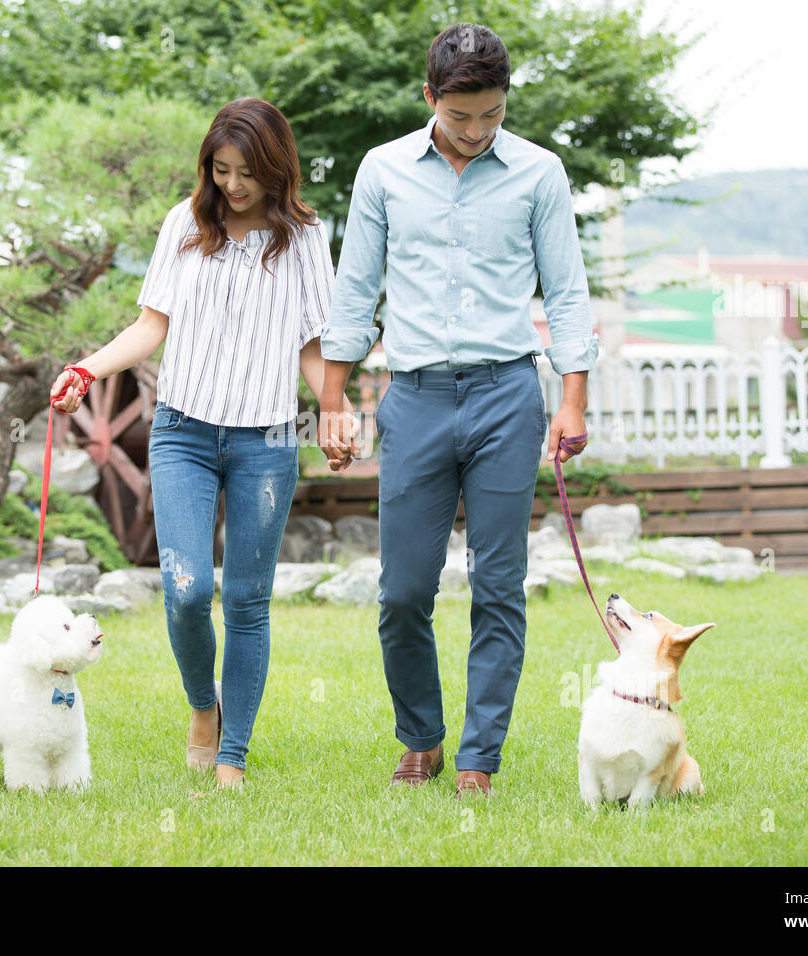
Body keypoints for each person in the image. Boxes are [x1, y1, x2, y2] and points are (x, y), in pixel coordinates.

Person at [318, 23, 599, 798]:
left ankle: (479, 754)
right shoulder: (382, 172)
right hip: (413, 397)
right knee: (404, 590)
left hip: (509, 393)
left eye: (493, 115)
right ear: (429, 97)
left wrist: (573, 397)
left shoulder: (540, 174)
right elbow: (354, 289)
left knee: (498, 584)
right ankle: (421, 736)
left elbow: (566, 291)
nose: (477, 132)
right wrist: (333, 397)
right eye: (461, 116)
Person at [51, 98, 349, 789]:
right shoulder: (184, 225)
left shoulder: (304, 236)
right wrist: (87, 367)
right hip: (182, 430)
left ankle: (233, 756)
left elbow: (316, 344)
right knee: (185, 591)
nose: (235, 186)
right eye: (222, 171)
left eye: (248, 172)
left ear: (277, 169)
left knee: (246, 600)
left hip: (267, 438)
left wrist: (333, 412)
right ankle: (201, 706)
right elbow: (152, 325)